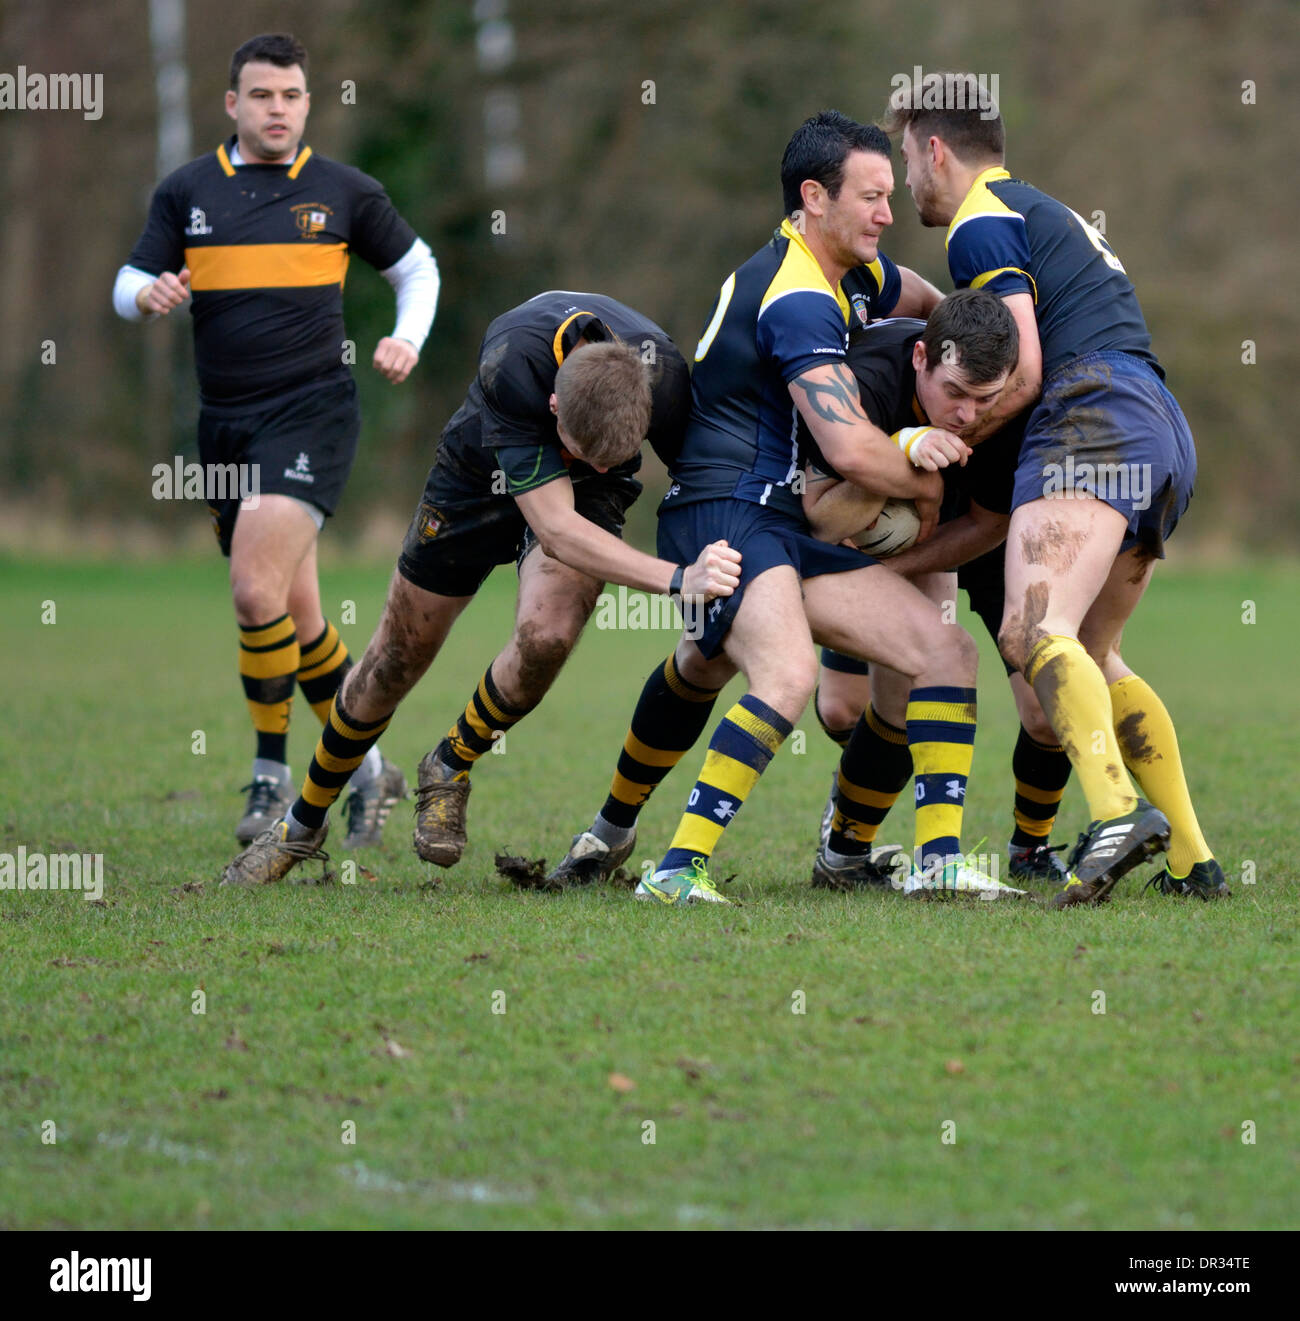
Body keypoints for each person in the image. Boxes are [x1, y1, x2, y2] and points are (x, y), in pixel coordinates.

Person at [549, 111, 1027, 905]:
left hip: (781, 520)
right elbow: (847, 452)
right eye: (871, 198)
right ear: (815, 197)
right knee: (785, 674)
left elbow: (917, 296)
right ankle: (674, 872)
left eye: (888, 194)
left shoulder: (845, 273)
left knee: (946, 656)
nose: (887, 212)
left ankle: (937, 860)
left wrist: (966, 332)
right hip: (727, 506)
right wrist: (919, 467)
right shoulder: (798, 297)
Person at [218, 291, 741, 886]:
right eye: (580, 454)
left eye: (610, 460)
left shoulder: (664, 381)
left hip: (583, 499)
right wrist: (678, 579)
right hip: (479, 473)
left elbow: (707, 481)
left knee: (547, 637)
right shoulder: (513, 361)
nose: (591, 467)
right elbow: (556, 529)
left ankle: (449, 763)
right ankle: (300, 824)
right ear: (552, 404)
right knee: (395, 658)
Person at [883, 76, 1228, 906]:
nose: (904, 184)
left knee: (1030, 628)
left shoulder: (980, 221)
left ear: (936, 149)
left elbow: (1025, 369)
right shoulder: (1040, 207)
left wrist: (942, 444)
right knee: (1091, 654)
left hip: (1092, 409)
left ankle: (1114, 814)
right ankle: (1192, 857)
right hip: (1160, 424)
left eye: (903, 159)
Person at [114, 33, 438, 849]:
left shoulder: (343, 191)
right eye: (262, 96)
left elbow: (418, 269)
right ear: (233, 104)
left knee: (254, 594)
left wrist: (406, 337)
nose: (278, 110)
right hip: (224, 424)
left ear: (307, 103)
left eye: (291, 96)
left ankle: (270, 775)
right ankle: (367, 767)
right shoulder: (187, 190)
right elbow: (124, 282)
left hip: (312, 413)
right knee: (295, 617)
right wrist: (146, 294)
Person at [799, 293, 1072, 891]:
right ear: (921, 357)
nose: (969, 415)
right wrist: (898, 454)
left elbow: (989, 522)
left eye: (985, 397)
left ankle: (897, 852)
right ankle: (852, 835)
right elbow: (821, 520)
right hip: (853, 539)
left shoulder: (1008, 412)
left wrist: (894, 577)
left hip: (957, 535)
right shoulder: (862, 379)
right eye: (955, 394)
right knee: (841, 708)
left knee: (945, 669)